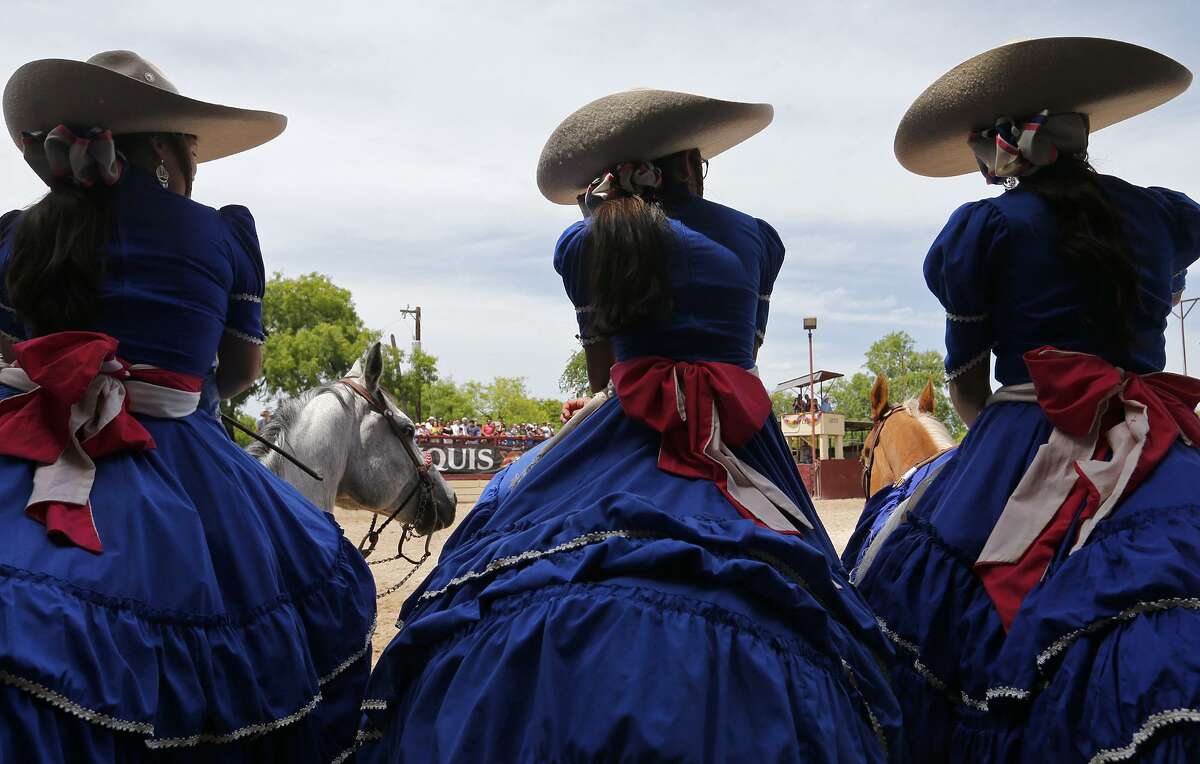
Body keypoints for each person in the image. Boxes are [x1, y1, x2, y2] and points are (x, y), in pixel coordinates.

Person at [358, 88, 900, 762]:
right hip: (732, 432)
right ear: (694, 162)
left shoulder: (584, 243)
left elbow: (601, 377)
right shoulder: (755, 239)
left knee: (495, 522)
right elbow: (746, 354)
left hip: (625, 420)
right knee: (821, 579)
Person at [0, 51, 375, 761]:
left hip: (26, 434)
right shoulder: (215, 233)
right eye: (190, 144)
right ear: (167, 148)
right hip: (175, 453)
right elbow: (237, 372)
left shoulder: (17, 232)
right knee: (310, 593)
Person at [846, 37, 1200, 762]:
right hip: (1159, 433)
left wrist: (986, 457)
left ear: (998, 150)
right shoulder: (1161, 214)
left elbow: (968, 383)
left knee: (901, 579)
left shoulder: (990, 228)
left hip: (1024, 423)